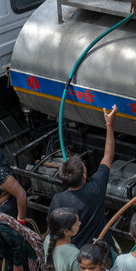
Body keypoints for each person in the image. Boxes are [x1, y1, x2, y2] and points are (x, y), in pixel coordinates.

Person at [50, 106, 117, 249]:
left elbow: (53, 228)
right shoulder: (95, 189)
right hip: (98, 251)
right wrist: (109, 125)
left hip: (76, 253)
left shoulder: (58, 200)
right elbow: (108, 156)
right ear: (84, 176)